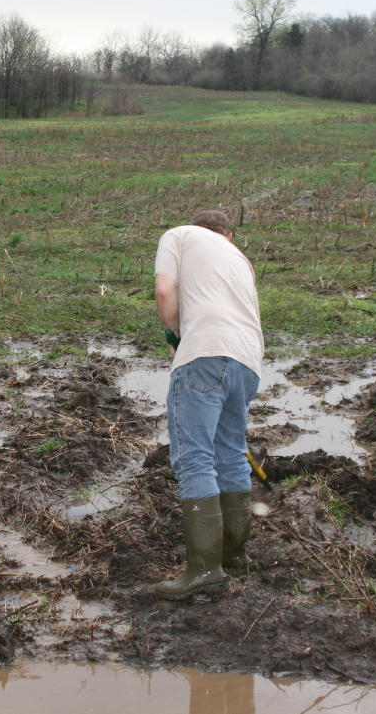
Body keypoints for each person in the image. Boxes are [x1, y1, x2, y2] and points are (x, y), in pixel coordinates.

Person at [153, 209, 263, 600]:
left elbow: (166, 292)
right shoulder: (239, 258)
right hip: (248, 361)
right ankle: (234, 554)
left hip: (204, 355)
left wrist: (173, 335)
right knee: (232, 454)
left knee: (194, 458)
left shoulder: (178, 234)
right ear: (227, 234)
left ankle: (203, 570)